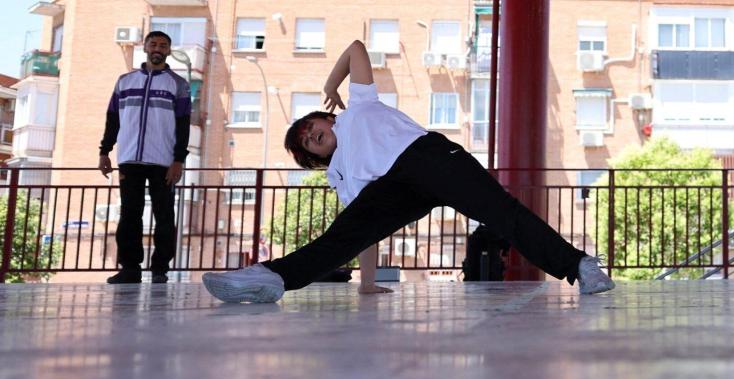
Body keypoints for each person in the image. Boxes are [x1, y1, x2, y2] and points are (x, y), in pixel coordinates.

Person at [202, 40, 614, 303]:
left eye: (312, 126)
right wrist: (365, 283)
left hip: (426, 157)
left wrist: (331, 85)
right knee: (339, 236)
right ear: (314, 159)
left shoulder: (357, 109)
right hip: (390, 188)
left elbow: (356, 49)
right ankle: (269, 278)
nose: (312, 134)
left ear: (327, 119)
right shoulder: (340, 174)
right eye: (306, 141)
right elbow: (360, 235)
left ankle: (580, 266)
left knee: (501, 213)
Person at [98, 31, 191, 284]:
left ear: (169, 51)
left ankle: (160, 269)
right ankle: (130, 268)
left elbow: (184, 126)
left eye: (163, 45)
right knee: (129, 214)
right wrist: (104, 151)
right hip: (129, 158)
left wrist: (178, 160)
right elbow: (112, 119)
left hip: (163, 162)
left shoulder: (178, 84)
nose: (157, 48)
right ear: (146, 48)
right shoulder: (124, 81)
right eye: (153, 44)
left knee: (164, 216)